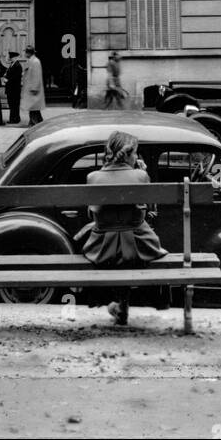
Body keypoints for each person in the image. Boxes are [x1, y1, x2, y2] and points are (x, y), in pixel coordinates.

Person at [77, 130, 167, 325]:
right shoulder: (141, 175)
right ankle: (122, 307)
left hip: (101, 248)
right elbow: (149, 211)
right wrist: (143, 173)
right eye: (135, 153)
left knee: (110, 247)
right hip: (140, 245)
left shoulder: (93, 177)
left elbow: (91, 215)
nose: (136, 157)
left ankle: (119, 307)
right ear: (127, 154)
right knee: (128, 250)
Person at [21, 45, 46, 125]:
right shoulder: (31, 61)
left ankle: (34, 124)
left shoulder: (35, 61)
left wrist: (34, 88)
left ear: (28, 53)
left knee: (33, 108)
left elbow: (37, 76)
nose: (25, 54)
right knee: (33, 109)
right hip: (30, 89)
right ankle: (35, 123)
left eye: (25, 52)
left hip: (33, 90)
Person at [5, 51, 23, 125]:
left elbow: (16, 77)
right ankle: (14, 118)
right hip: (11, 88)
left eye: (11, 57)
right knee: (12, 104)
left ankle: (15, 119)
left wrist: (8, 80)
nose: (10, 59)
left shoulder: (17, 65)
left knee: (14, 104)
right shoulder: (12, 65)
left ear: (15, 58)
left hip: (14, 89)